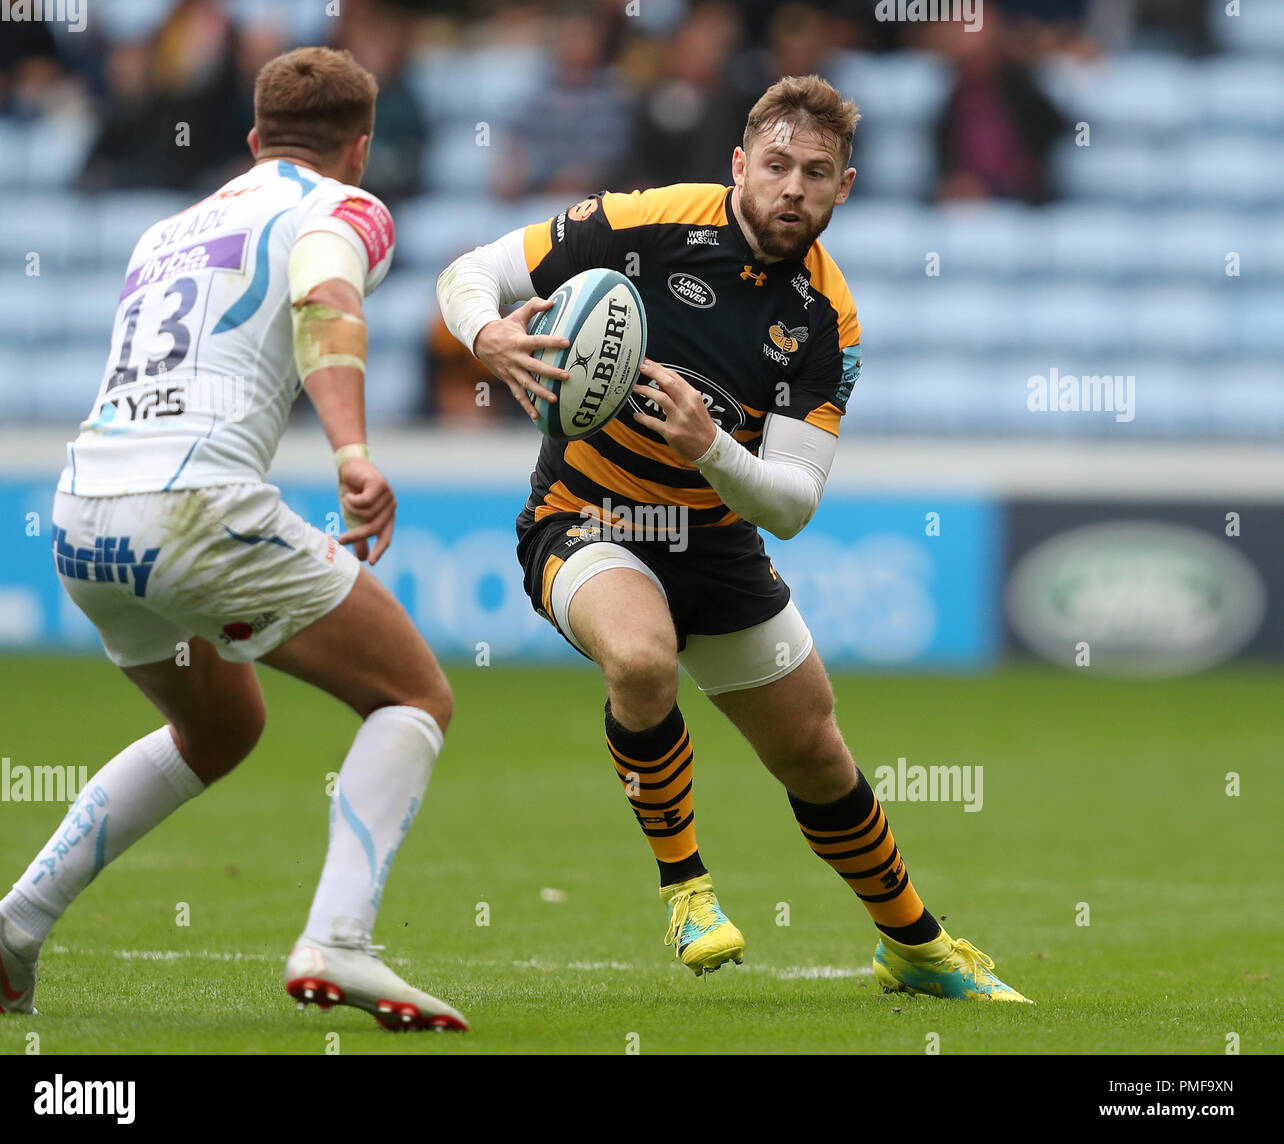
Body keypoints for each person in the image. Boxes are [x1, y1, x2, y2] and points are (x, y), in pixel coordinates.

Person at [437, 73, 1030, 1002]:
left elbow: (790, 505)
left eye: (818, 173)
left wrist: (710, 448)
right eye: (779, 165)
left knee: (814, 752)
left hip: (716, 543)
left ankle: (916, 946)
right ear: (739, 164)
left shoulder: (827, 320)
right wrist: (487, 337)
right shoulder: (646, 220)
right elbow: (469, 271)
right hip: (587, 519)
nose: (794, 188)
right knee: (640, 659)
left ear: (846, 188)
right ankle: (689, 892)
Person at [0, 47, 467, 1032]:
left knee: (220, 728)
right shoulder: (341, 205)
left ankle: (10, 930)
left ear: (252, 140)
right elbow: (324, 301)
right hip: (194, 505)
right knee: (413, 694)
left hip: (84, 513)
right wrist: (353, 451)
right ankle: (339, 936)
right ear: (360, 148)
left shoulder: (164, 230)